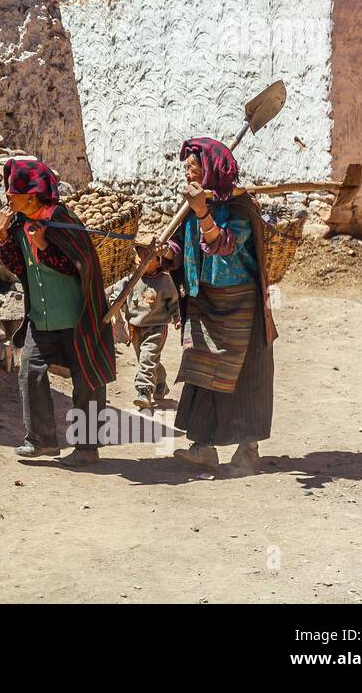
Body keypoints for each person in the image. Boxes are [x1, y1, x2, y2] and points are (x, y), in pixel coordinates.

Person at [160, 137, 277, 476]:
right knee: (201, 372)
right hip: (204, 300)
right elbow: (182, 248)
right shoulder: (192, 206)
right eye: (185, 169)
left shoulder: (242, 208)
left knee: (243, 378)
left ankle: (248, 450)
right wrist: (164, 254)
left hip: (241, 305)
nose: (187, 174)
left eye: (193, 168)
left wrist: (202, 213)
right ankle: (203, 448)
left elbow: (224, 244)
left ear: (210, 171)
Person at [0, 159, 117, 465]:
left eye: (14, 192)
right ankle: (41, 441)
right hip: (41, 317)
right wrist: (1, 237)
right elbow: (19, 266)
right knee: (29, 374)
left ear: (32, 196)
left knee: (86, 382)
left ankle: (87, 448)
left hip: (78, 317)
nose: (8, 197)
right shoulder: (20, 223)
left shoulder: (63, 220)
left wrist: (45, 244)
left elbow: (79, 265)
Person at [125, 240, 181, 410]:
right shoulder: (132, 277)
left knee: (147, 358)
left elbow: (173, 301)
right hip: (136, 327)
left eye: (146, 256)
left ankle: (143, 391)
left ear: (158, 261)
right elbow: (117, 293)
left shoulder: (164, 281)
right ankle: (161, 382)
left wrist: (177, 317)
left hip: (157, 327)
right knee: (147, 360)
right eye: (138, 254)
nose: (140, 259)